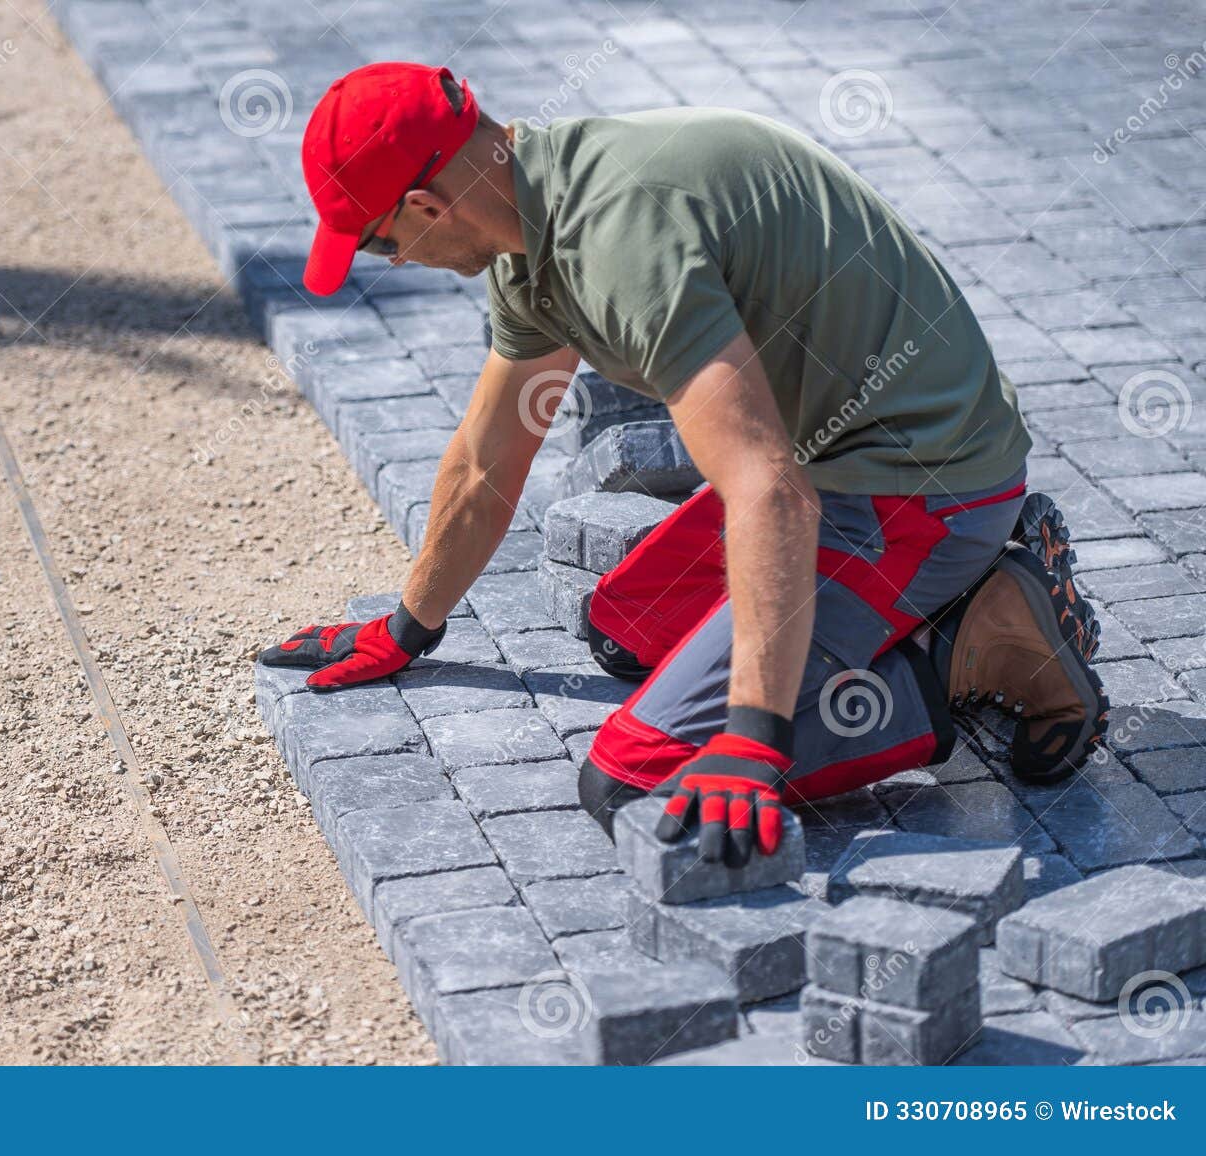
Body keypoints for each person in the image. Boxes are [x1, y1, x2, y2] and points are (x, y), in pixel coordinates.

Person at [261, 62, 1106, 866]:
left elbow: (765, 488)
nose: (397, 263)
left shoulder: (622, 243)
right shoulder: (533, 220)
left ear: (425, 203)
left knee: (638, 784)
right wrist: (410, 626)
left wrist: (751, 735)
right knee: (627, 628)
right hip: (827, 460)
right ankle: (940, 599)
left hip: (920, 483)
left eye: (381, 245)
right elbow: (488, 457)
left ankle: (976, 644)